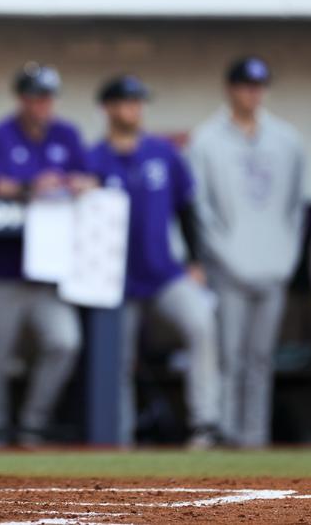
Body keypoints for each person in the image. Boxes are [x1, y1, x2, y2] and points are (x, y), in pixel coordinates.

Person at [87, 75, 221, 448]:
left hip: (163, 270)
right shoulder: (93, 158)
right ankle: (119, 438)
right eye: (127, 102)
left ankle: (204, 425)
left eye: (139, 102)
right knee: (117, 358)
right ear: (109, 108)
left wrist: (196, 260)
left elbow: (187, 207)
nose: (135, 109)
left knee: (201, 322)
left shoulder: (163, 153)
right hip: (116, 280)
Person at [0, 62, 91, 445]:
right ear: (22, 98)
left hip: (47, 272)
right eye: (36, 96)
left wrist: (73, 184)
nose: (43, 104)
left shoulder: (67, 135)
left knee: (64, 341)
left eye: (48, 97)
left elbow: (90, 179)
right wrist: (29, 186)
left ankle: (31, 426)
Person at [188, 58, 305, 447]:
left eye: (259, 85)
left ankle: (254, 438)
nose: (252, 93)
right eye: (245, 85)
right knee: (228, 356)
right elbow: (200, 210)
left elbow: (296, 207)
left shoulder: (287, 139)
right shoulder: (206, 139)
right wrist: (224, 257)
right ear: (230, 88)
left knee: (260, 359)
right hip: (228, 268)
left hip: (272, 266)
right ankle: (226, 432)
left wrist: (285, 258)